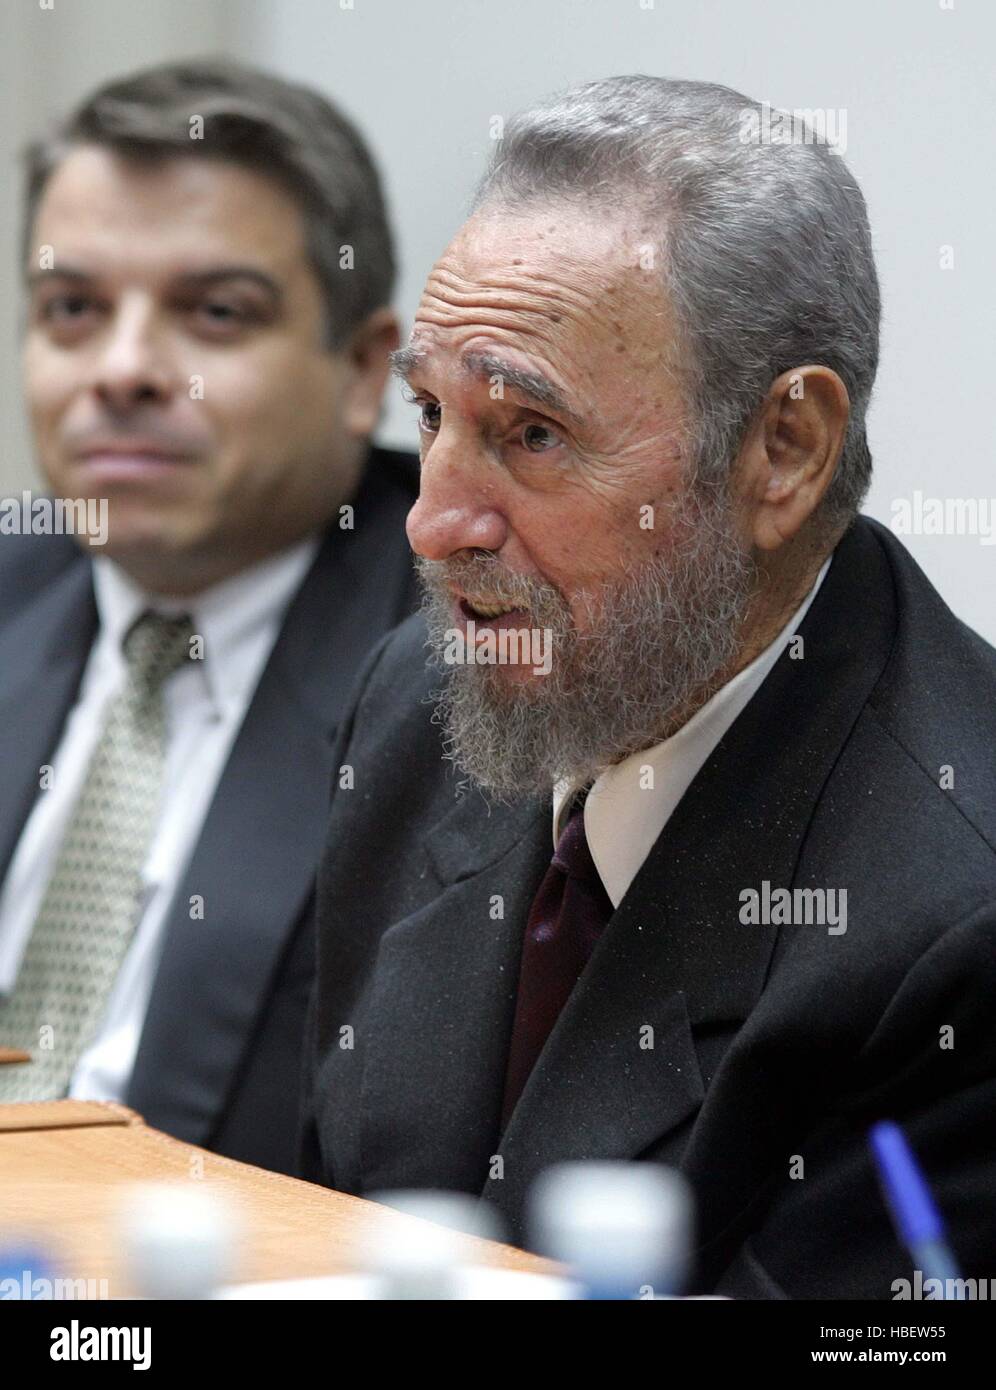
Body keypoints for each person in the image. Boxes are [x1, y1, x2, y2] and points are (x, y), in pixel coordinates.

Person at [301, 75, 996, 1296]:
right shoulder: (418, 699)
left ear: (784, 450)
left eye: (531, 435)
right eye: (431, 414)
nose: (434, 523)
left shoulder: (958, 914)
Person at [0, 60, 418, 1178]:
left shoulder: (473, 665)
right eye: (73, 309)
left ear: (363, 368)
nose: (125, 369)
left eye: (215, 313)